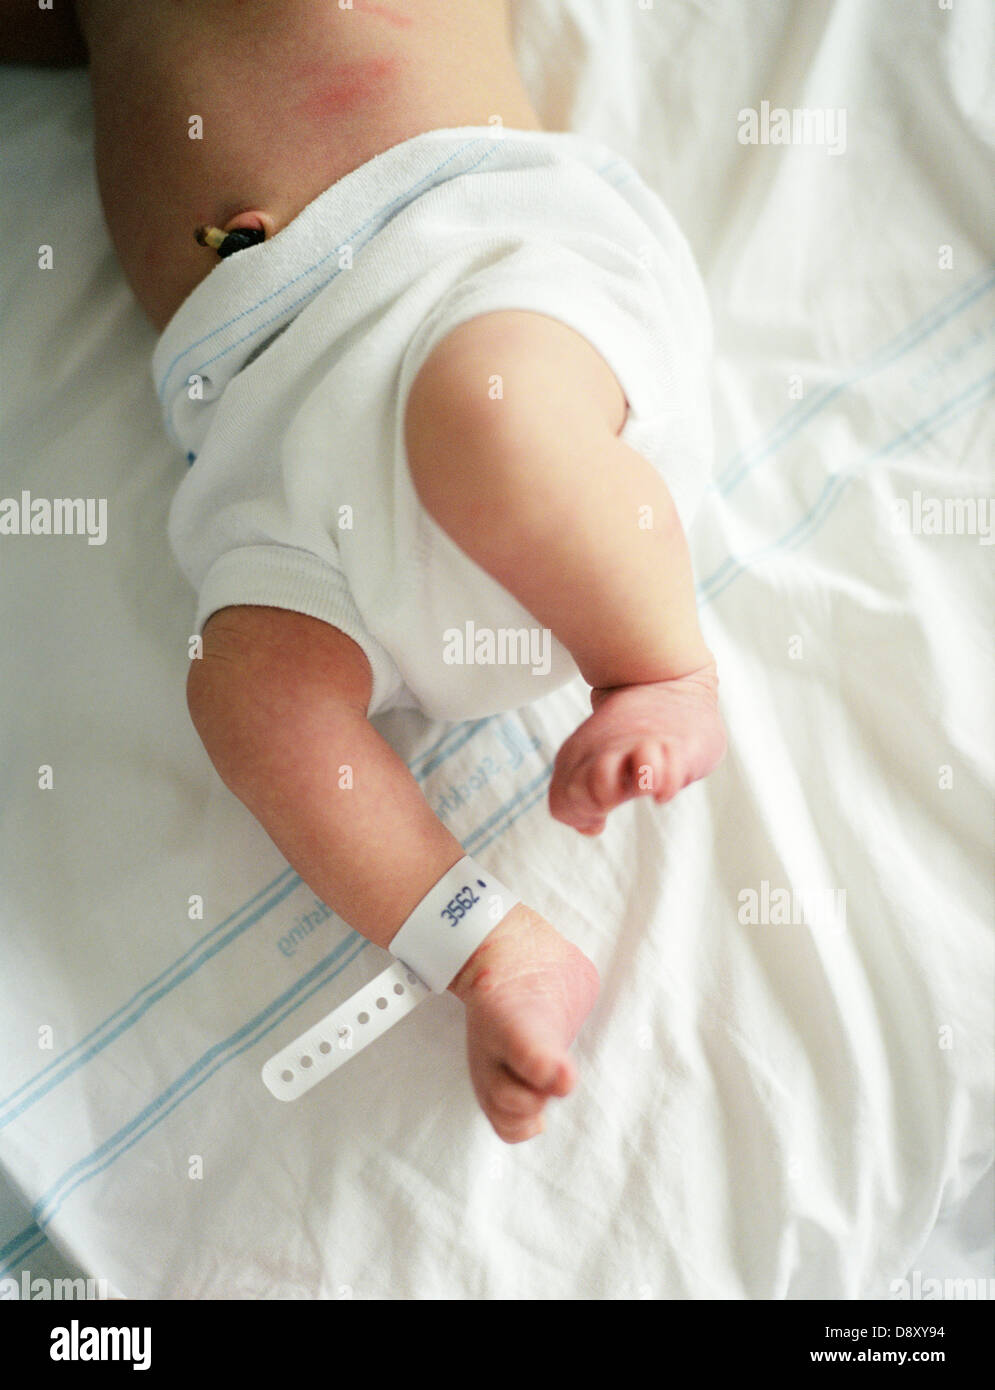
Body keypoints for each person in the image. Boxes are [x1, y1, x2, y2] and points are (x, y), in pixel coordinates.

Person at [5, 0, 725, 1144]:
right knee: (242, 688)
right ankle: (485, 946)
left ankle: (660, 669)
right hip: (276, 427)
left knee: (484, 430)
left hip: (473, 264)